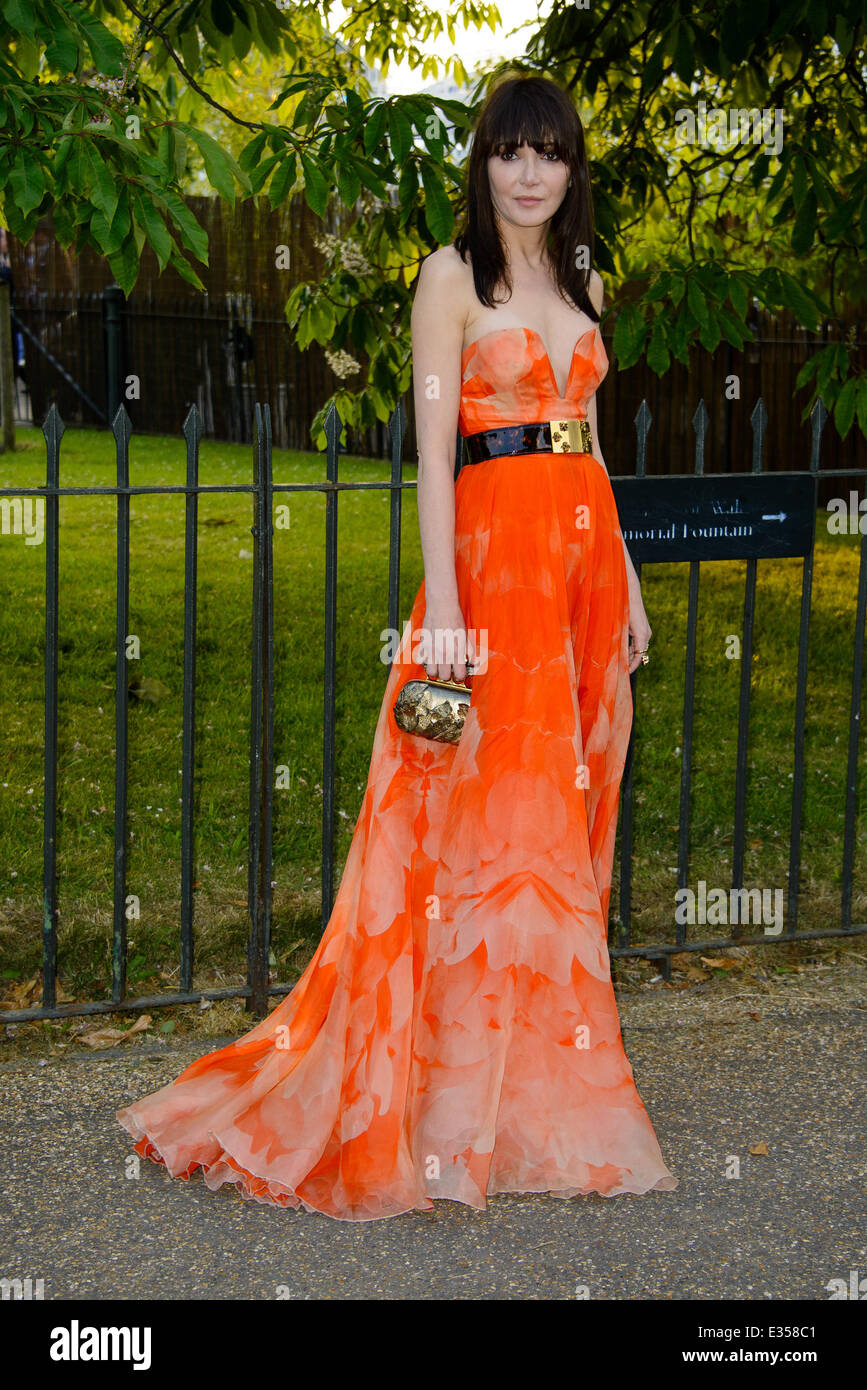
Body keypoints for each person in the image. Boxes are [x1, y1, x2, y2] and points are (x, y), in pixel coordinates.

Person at [117, 74, 678, 1220]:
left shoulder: (584, 278)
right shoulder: (446, 278)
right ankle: (431, 1097)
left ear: (572, 170)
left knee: (549, 832)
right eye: (510, 153)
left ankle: (531, 1095)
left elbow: (591, 444)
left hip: (577, 572)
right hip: (492, 571)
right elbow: (434, 450)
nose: (530, 174)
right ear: (483, 165)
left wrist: (622, 580)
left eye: (551, 154)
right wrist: (449, 608)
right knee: (459, 826)